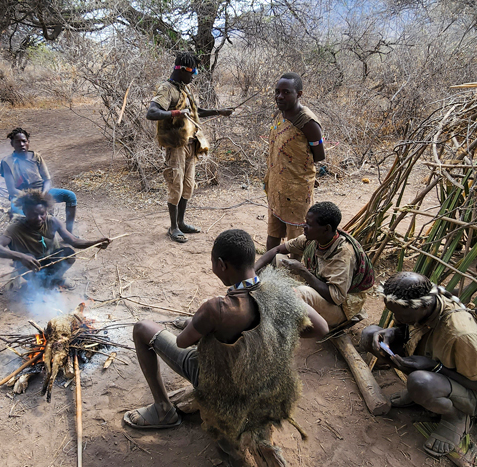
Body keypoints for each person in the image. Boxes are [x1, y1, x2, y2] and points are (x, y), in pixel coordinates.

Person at [124, 229, 328, 465]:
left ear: (221, 264)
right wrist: (274, 336)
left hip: (223, 386)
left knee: (142, 328)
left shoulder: (217, 309)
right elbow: (321, 327)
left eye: (213, 263)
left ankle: (163, 409)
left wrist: (197, 323)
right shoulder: (283, 293)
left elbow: (182, 342)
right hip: (267, 384)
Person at [359, 272, 477, 459]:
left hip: (473, 392)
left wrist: (434, 367)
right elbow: (412, 328)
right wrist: (394, 332)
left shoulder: (461, 333)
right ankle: (420, 393)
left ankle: (455, 417)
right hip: (432, 366)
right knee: (370, 335)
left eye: (401, 314)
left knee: (420, 382)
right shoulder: (424, 306)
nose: (397, 317)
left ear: (424, 306)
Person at [146, 52, 233, 243]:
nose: (194, 75)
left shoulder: (184, 88)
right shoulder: (167, 89)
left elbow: (195, 112)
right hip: (176, 146)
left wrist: (219, 111)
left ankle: (181, 222)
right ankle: (173, 227)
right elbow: (151, 112)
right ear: (182, 70)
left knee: (188, 186)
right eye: (192, 71)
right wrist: (174, 113)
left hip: (191, 144)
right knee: (175, 186)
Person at [255, 201, 374, 331]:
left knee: (302, 293)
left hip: (341, 309)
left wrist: (303, 271)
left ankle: (280, 328)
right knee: (278, 259)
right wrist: (251, 272)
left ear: (326, 229)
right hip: (317, 287)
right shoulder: (313, 239)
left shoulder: (343, 254)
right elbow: (277, 250)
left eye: (309, 224)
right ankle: (262, 303)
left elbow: (335, 298)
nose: (304, 226)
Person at [0, 189, 110, 289]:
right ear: (25, 212)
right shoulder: (15, 228)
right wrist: (21, 256)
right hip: (30, 266)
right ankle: (38, 284)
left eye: (42, 214)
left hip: (49, 260)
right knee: (35, 276)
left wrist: (95, 243)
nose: (39, 218)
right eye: (33, 214)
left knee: (68, 254)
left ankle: (55, 279)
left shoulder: (52, 221)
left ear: (46, 211)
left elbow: (73, 241)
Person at [263, 72, 325, 252]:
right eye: (277, 92)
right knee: (273, 233)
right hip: (276, 186)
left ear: (299, 94)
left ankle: (296, 268)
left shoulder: (307, 123)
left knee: (297, 238)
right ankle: (269, 264)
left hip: (297, 191)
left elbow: (319, 155)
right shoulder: (280, 115)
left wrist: (294, 167)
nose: (280, 96)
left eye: (286, 92)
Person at [0, 128, 78, 232]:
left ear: (28, 142)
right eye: (17, 142)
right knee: (19, 215)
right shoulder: (7, 162)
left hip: (41, 192)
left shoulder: (36, 157)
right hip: (21, 195)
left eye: (24, 141)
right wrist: (30, 197)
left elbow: (47, 180)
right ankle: (26, 238)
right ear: (12, 144)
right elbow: (11, 190)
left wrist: (43, 194)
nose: (21, 144)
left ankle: (69, 232)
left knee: (70, 196)